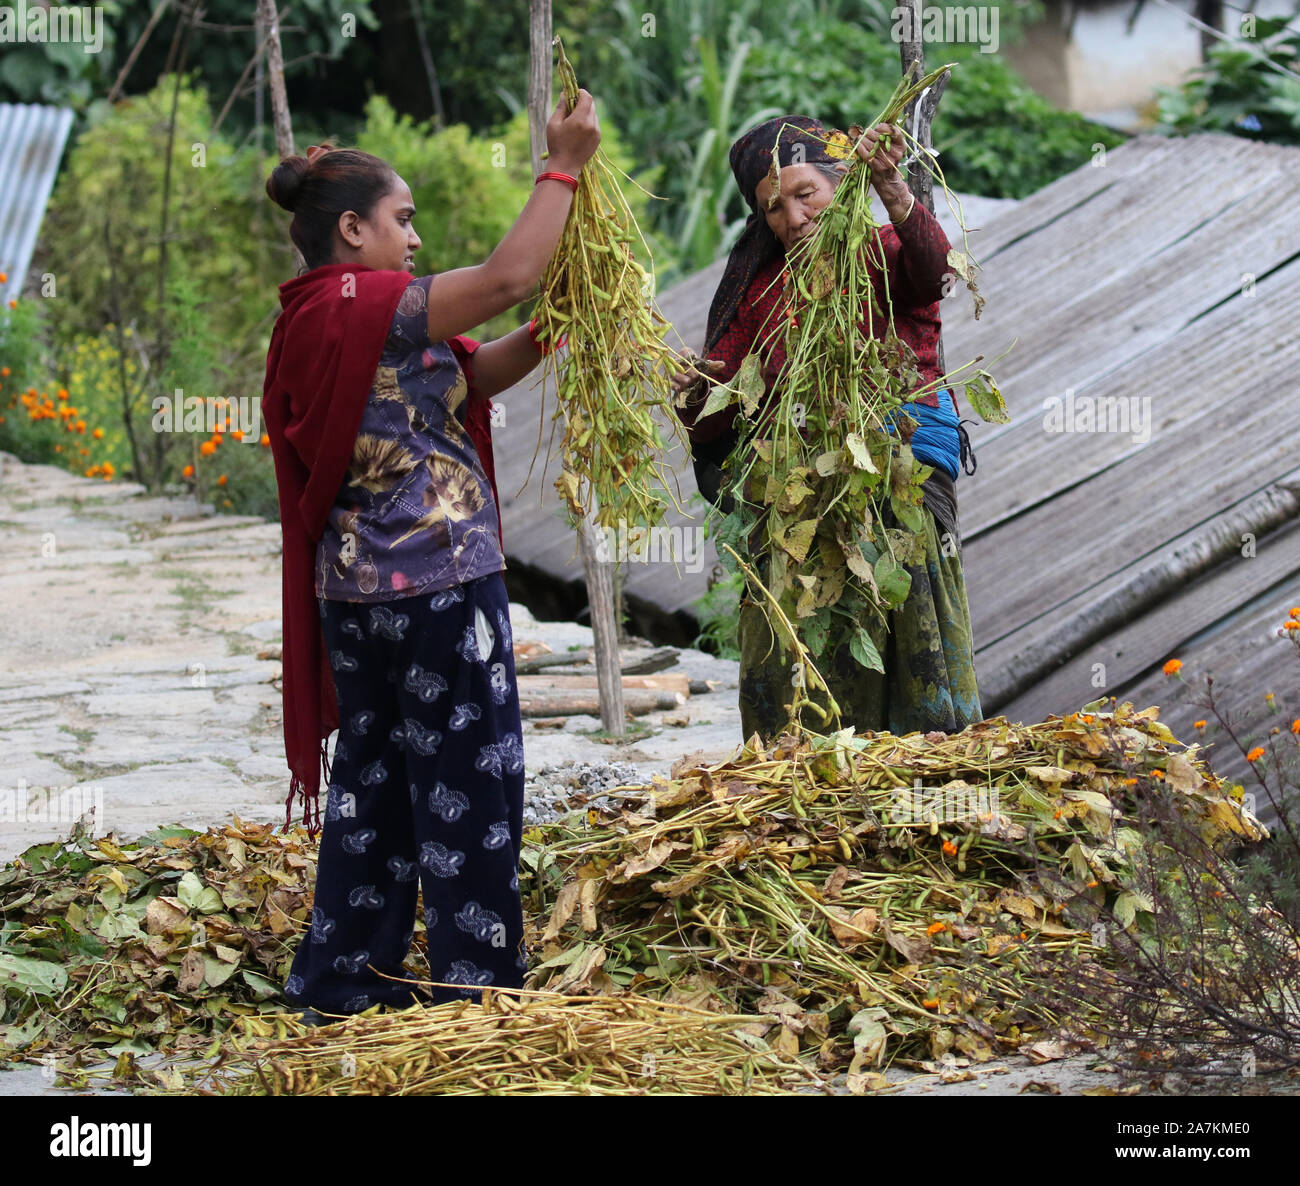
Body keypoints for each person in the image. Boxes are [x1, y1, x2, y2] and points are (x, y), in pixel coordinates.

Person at [261, 91, 601, 1020]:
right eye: (401, 221)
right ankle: (475, 988)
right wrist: (562, 164)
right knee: (470, 781)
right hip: (440, 589)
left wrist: (556, 328)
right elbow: (503, 276)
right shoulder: (365, 300)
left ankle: (341, 982)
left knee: (376, 788)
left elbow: (471, 370)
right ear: (350, 228)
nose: (413, 239)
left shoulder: (313, 316)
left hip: (358, 598)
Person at [672, 115, 981, 743]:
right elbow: (713, 430)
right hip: (797, 500)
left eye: (803, 192)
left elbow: (939, 274)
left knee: (902, 620)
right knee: (797, 647)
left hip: (900, 476)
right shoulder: (759, 292)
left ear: (841, 184)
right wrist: (697, 391)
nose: (792, 217)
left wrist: (893, 188)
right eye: (772, 208)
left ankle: (919, 786)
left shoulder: (886, 252)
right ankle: (807, 784)